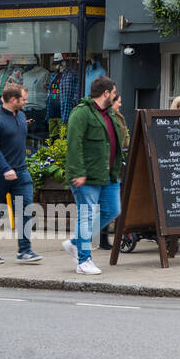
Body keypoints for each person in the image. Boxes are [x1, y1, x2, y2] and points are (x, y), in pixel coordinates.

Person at [62, 76, 125, 275]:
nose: (115, 97)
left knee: (112, 210)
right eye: (114, 93)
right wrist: (78, 172)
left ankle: (75, 242)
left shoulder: (109, 114)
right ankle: (84, 260)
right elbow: (74, 143)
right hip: (87, 175)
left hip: (108, 174)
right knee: (86, 216)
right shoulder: (81, 113)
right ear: (106, 93)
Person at [0, 84, 41, 263]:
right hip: (0, 174)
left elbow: (15, 135)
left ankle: (25, 250)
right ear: (13, 100)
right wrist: (5, 168)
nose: (26, 101)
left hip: (21, 172)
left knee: (26, 209)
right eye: (23, 99)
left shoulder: (21, 115)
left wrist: (25, 124)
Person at [100, 90, 131, 251]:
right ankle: (101, 237)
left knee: (112, 205)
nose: (120, 104)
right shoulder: (108, 118)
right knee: (107, 205)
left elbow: (125, 136)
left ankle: (102, 237)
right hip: (109, 165)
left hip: (119, 162)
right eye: (118, 101)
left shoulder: (119, 117)